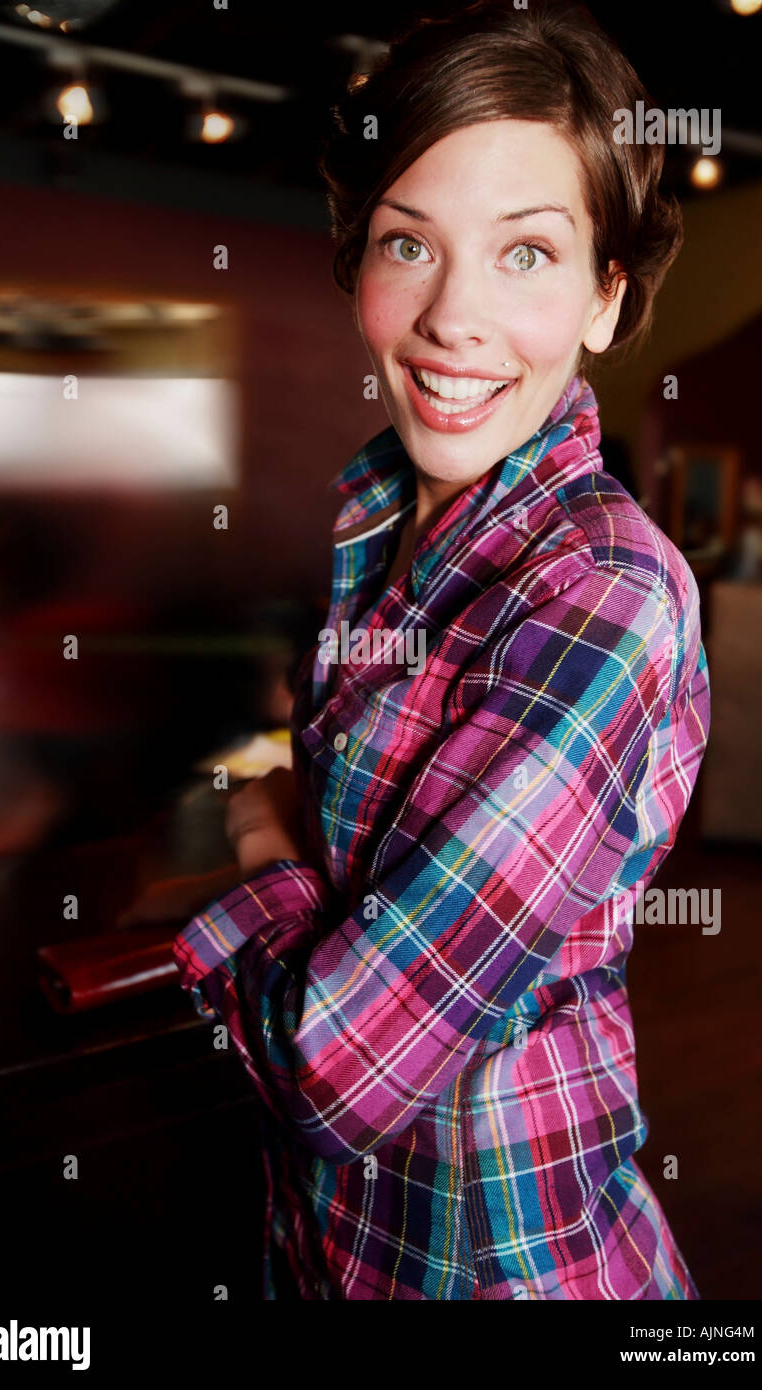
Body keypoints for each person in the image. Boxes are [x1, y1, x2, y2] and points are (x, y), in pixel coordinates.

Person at [173, 0, 710, 1300]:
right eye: (410, 242)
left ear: (606, 295)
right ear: (359, 259)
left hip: (502, 1263)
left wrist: (254, 831)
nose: (451, 318)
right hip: (333, 1247)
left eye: (526, 254)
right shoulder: (381, 511)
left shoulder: (601, 587)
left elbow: (338, 1061)